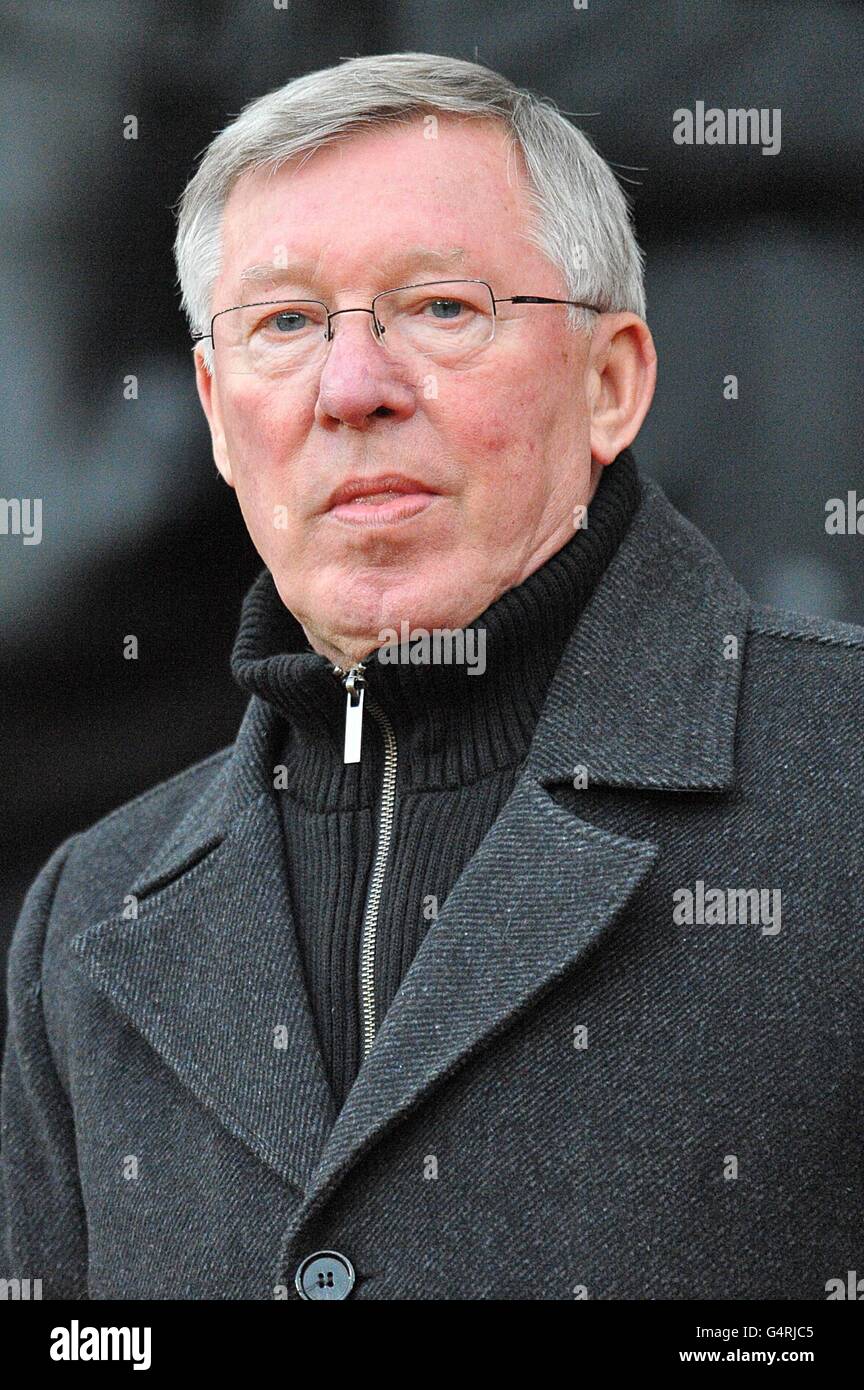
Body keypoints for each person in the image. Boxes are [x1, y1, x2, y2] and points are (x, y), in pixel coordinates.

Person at [2, 52, 861, 1302]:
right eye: (284, 324)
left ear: (611, 381)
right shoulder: (91, 913)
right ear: (213, 409)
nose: (351, 389)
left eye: (444, 308)